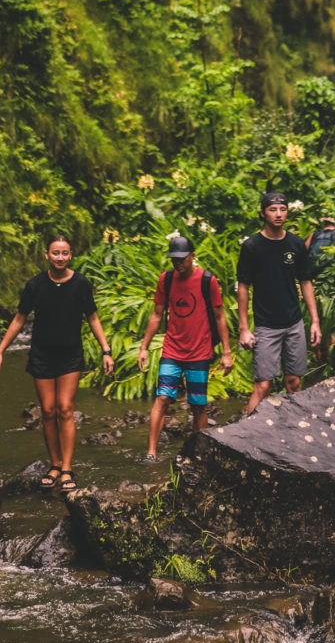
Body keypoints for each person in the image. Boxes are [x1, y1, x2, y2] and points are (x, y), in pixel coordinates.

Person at [0, 231, 115, 492]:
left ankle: (67, 468)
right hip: (42, 355)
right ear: (47, 255)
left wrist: (106, 349)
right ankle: (54, 465)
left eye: (65, 253)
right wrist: (0, 350)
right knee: (47, 412)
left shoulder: (81, 284)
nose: (60, 257)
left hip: (70, 355)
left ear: (71, 255)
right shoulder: (35, 286)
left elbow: (92, 317)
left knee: (65, 409)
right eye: (55, 253)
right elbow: (19, 319)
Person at [137, 233, 233, 461]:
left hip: (199, 351)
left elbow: (219, 316)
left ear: (192, 256)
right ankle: (151, 452)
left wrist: (227, 352)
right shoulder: (166, 279)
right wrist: (143, 348)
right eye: (174, 259)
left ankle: (196, 453)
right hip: (172, 349)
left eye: (182, 259)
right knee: (162, 398)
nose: (178, 263)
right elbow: (157, 314)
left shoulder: (207, 280)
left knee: (197, 405)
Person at [237, 190, 320, 414]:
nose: (278, 214)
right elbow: (243, 287)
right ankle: (243, 436)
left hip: (294, 323)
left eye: (282, 209)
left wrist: (314, 321)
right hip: (266, 326)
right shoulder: (252, 247)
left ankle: (296, 435)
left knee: (293, 383)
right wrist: (244, 328)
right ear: (263, 213)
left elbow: (305, 281)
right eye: (273, 209)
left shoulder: (295, 244)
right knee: (263, 386)